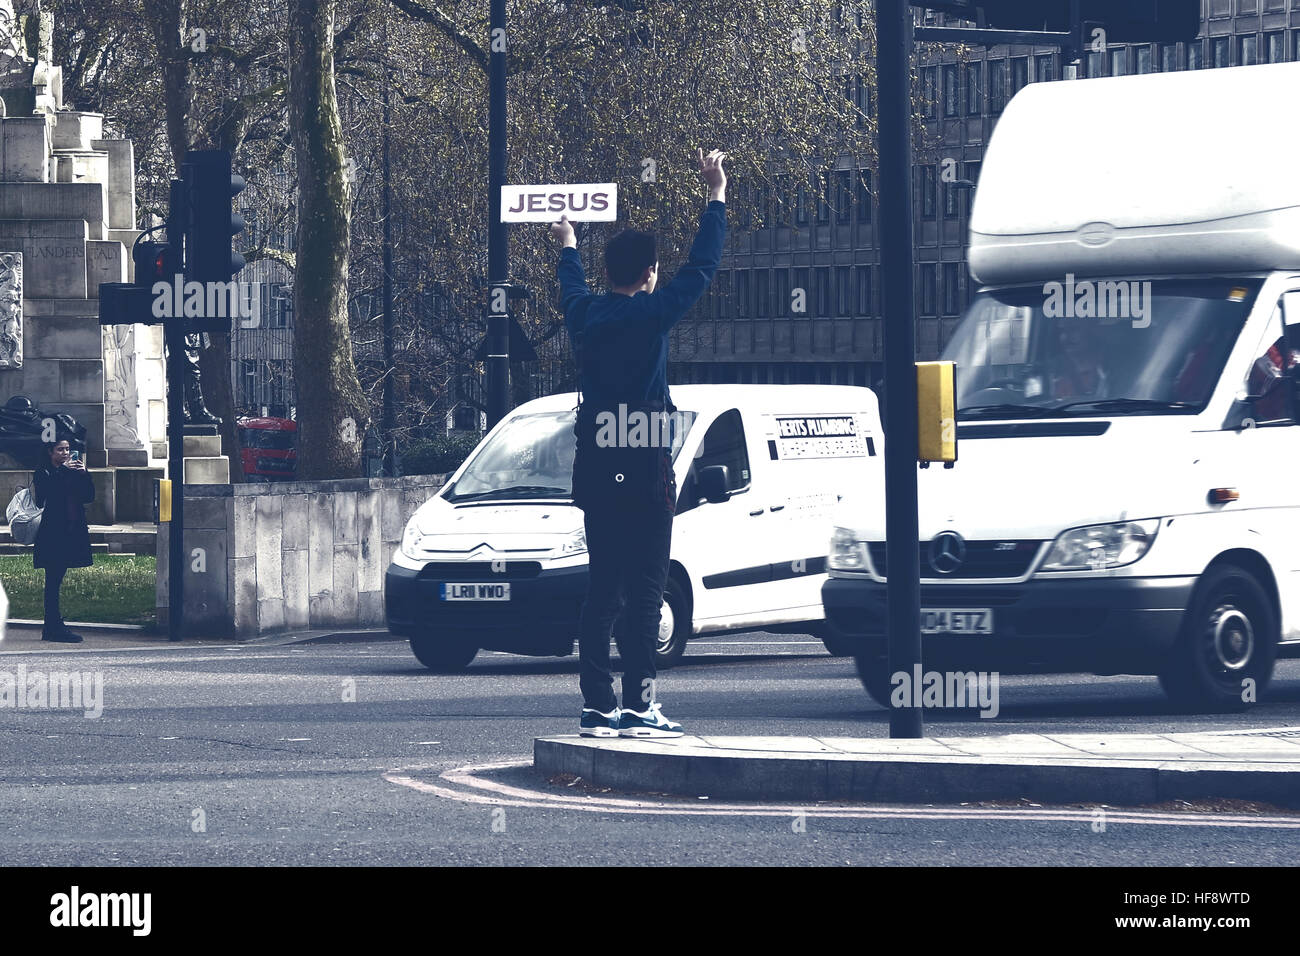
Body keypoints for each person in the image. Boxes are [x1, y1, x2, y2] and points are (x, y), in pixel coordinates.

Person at [552, 148, 727, 739]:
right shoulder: (652, 315)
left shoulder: (585, 317)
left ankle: (597, 705)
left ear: (608, 274)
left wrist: (568, 241)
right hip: (647, 464)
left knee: (602, 590)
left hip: (600, 469)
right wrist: (716, 195)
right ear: (649, 273)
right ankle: (639, 705)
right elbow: (700, 269)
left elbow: (570, 284)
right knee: (647, 592)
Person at [32, 439, 95, 643]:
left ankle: (52, 625)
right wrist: (63, 471)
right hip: (52, 534)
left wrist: (84, 474)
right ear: (50, 452)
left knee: (56, 580)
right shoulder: (44, 473)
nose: (65, 453)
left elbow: (88, 496)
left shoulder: (72, 472)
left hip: (71, 531)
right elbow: (46, 494)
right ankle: (53, 626)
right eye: (60, 449)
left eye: (67, 449)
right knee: (52, 581)